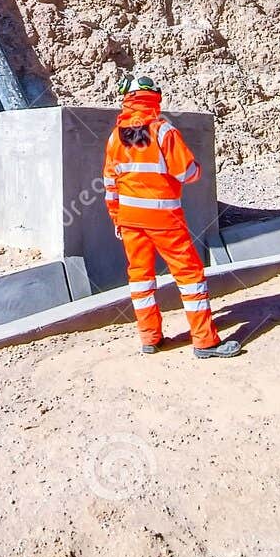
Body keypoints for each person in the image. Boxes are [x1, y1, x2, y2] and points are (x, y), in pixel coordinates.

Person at [102, 74, 242, 359]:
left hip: (129, 220)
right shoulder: (163, 131)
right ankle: (205, 341)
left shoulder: (116, 135)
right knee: (189, 275)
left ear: (127, 100)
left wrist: (116, 217)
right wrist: (196, 169)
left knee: (140, 278)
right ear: (155, 98)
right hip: (164, 219)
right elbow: (187, 172)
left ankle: (150, 338)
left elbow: (109, 182)